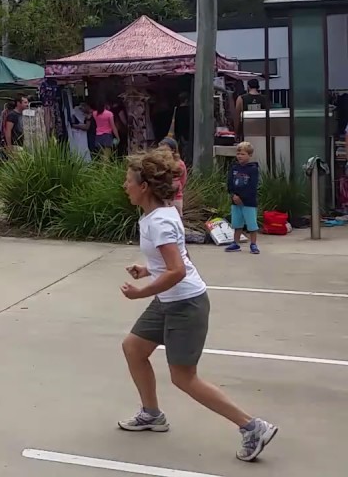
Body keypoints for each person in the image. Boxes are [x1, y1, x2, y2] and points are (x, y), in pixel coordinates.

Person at [117, 149, 278, 462]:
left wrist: (141, 291)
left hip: (185, 303)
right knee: (133, 348)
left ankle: (251, 426)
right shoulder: (158, 214)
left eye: (128, 181)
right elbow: (177, 261)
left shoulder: (159, 221)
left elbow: (177, 270)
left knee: (183, 377)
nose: (125, 186)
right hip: (170, 299)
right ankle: (151, 414)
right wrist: (148, 268)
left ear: (145, 186)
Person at [226, 142, 261, 254]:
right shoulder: (234, 168)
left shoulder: (253, 169)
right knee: (237, 224)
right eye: (238, 153)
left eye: (243, 154)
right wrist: (233, 196)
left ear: (249, 155)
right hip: (235, 202)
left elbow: (252, 186)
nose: (240, 156)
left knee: (251, 224)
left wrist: (242, 197)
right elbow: (229, 183)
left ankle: (253, 244)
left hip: (249, 202)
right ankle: (235, 243)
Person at [159, 137, 187, 219]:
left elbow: (183, 179)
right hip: (162, 196)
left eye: (165, 149)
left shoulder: (179, 164)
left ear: (173, 150)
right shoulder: (159, 163)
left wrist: (178, 188)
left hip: (176, 197)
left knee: (176, 218)